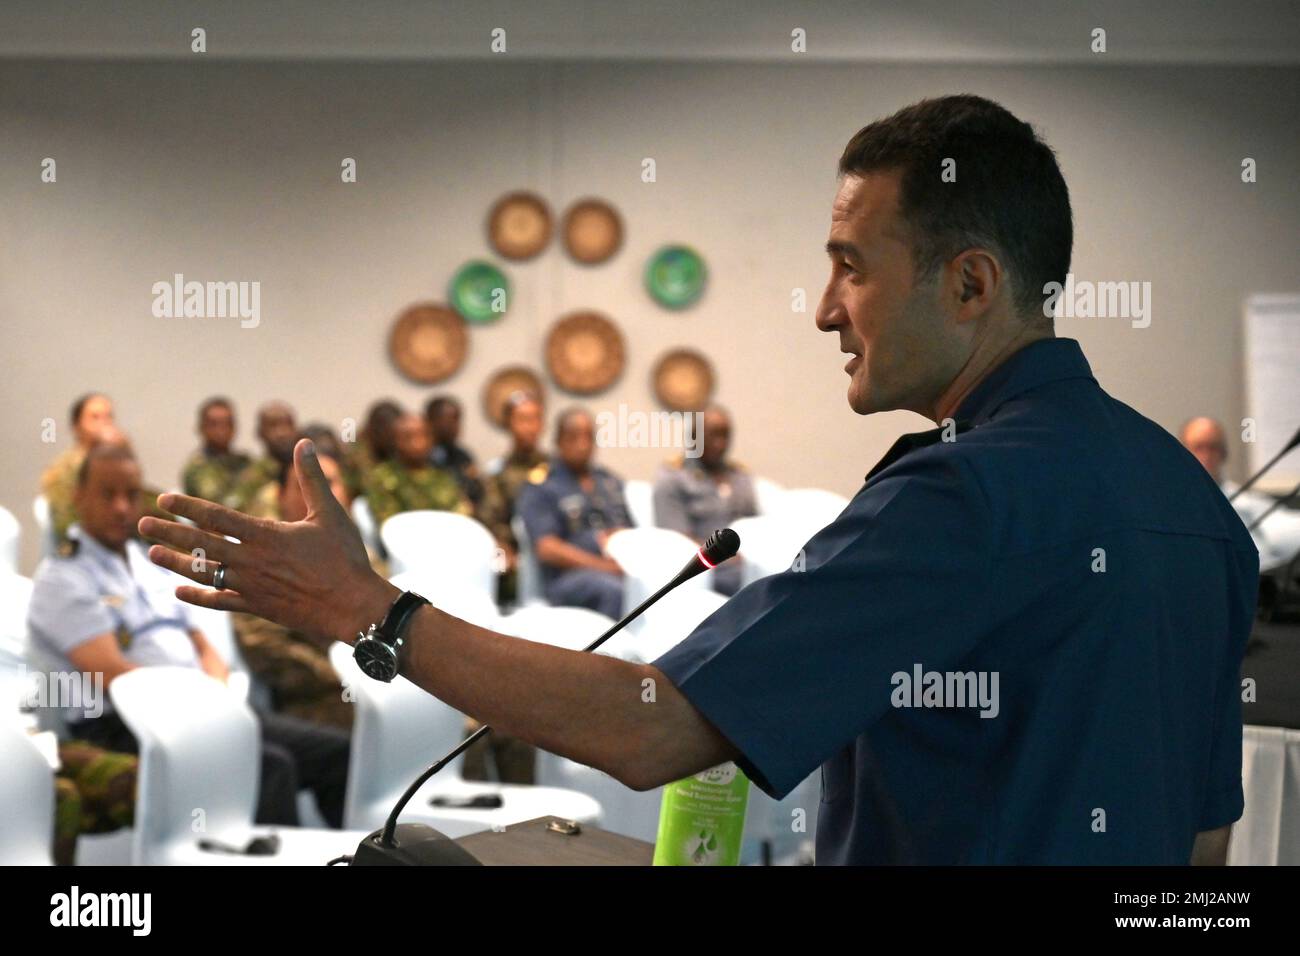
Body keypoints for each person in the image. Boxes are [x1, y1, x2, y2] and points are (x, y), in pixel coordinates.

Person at [139, 95, 1256, 865]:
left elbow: (654, 727)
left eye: (850, 267)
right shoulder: (1195, 507)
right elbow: (1204, 842)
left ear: (969, 283)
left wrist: (368, 608)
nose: (824, 309)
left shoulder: (961, 499)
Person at [29, 443, 351, 828]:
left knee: (336, 752)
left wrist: (217, 695)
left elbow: (202, 644)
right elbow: (113, 673)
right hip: (124, 724)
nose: (121, 507)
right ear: (79, 497)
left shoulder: (149, 563)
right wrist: (201, 703)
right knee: (270, 767)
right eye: (107, 494)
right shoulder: (63, 577)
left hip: (200, 709)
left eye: (130, 495)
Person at [234, 448, 355, 731]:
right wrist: (343, 674)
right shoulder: (259, 561)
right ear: (280, 495)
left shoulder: (358, 553)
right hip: (316, 700)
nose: (322, 497)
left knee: (460, 724)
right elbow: (263, 646)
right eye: (306, 486)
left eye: (331, 484)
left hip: (375, 683)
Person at [516, 408, 631, 618]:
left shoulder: (610, 482)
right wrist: (602, 567)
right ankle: (604, 651)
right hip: (567, 578)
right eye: (574, 437)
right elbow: (547, 548)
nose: (582, 445)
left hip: (618, 570)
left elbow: (631, 531)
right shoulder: (542, 485)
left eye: (589, 437)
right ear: (559, 441)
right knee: (612, 590)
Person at [652, 405, 758, 595]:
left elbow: (755, 525)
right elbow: (675, 537)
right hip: (703, 566)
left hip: (747, 560)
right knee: (742, 580)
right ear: (693, 437)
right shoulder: (673, 478)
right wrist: (724, 556)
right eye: (713, 435)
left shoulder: (740, 476)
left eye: (725, 435)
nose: (720, 443)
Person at [476, 391, 548, 606]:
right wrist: (503, 548)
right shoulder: (497, 472)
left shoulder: (556, 468)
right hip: (515, 553)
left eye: (535, 419)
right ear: (509, 424)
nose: (529, 427)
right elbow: (491, 521)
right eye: (522, 419)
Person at [363, 412, 472, 528]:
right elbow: (389, 524)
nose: (417, 443)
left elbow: (461, 513)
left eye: (423, 435)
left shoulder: (441, 476)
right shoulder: (383, 477)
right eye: (408, 437)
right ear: (395, 441)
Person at [41, 393, 115, 545]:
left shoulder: (118, 466)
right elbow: (66, 524)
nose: (104, 423)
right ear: (76, 426)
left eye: (108, 417)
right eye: (95, 417)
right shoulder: (62, 472)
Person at [225, 401, 297, 512]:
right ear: (259, 432)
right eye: (273, 425)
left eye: (288, 424)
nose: (282, 433)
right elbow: (232, 508)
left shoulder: (306, 470)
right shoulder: (252, 474)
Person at [181, 397, 251, 504]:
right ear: (201, 428)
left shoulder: (244, 462)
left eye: (227, 423)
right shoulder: (198, 468)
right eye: (214, 424)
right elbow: (223, 504)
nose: (222, 430)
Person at [426, 395, 484, 506]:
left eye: (458, 419)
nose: (456, 426)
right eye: (450, 420)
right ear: (431, 421)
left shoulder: (463, 456)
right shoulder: (421, 458)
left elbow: (477, 492)